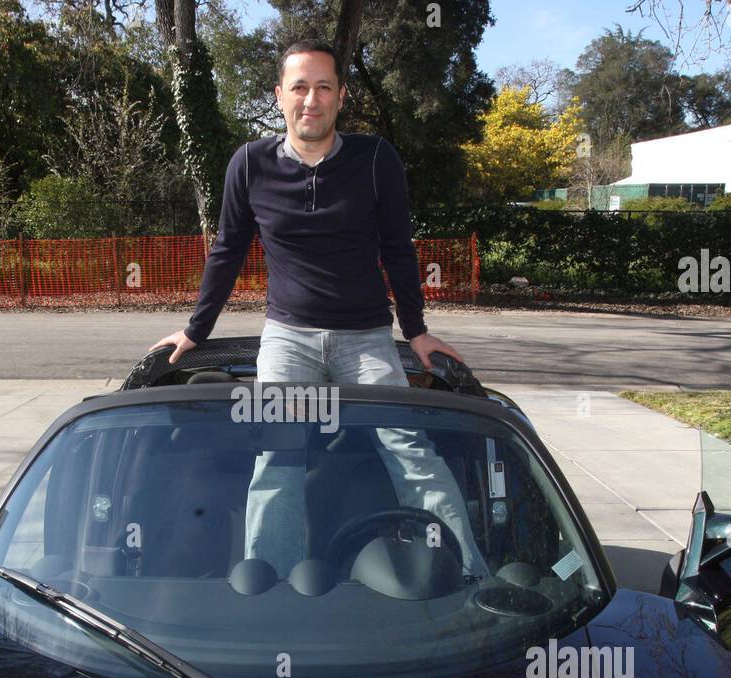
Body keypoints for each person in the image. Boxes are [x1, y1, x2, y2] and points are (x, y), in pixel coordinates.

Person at [148, 38, 490, 580]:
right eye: (300, 87)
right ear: (279, 95)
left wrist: (418, 332)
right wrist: (196, 331)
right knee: (276, 457)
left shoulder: (376, 159)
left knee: (410, 449)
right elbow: (228, 250)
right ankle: (270, 586)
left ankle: (472, 578)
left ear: (341, 96)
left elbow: (398, 249)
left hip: (367, 337)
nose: (312, 99)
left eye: (324, 87)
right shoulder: (249, 164)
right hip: (287, 337)